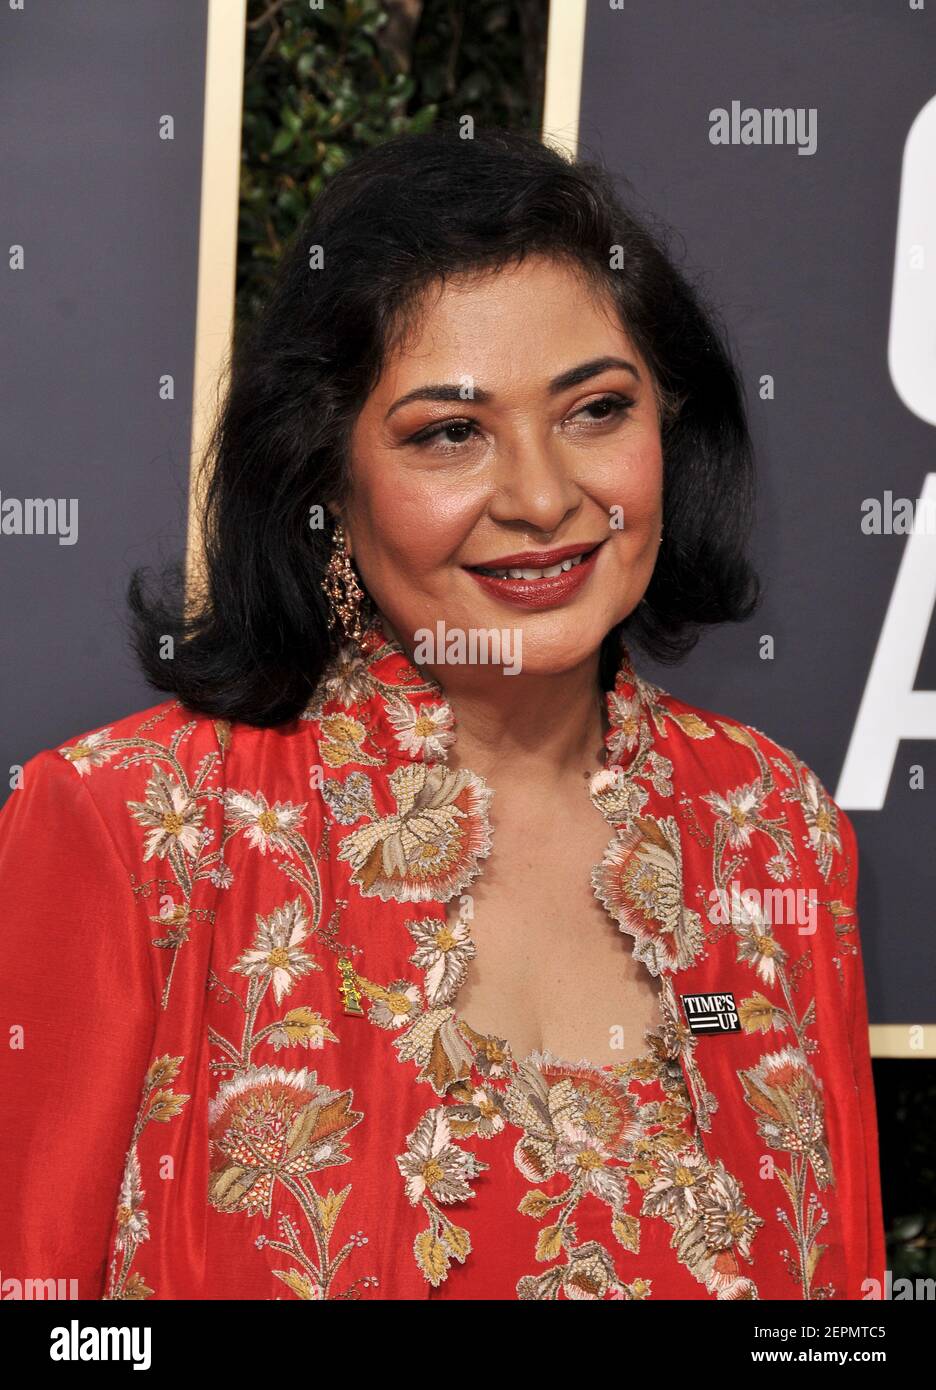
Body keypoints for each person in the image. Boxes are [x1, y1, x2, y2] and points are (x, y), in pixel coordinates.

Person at [0, 124, 884, 1301]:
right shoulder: (135, 830)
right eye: (450, 433)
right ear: (326, 475)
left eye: (596, 410)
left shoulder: (777, 831)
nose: (540, 496)